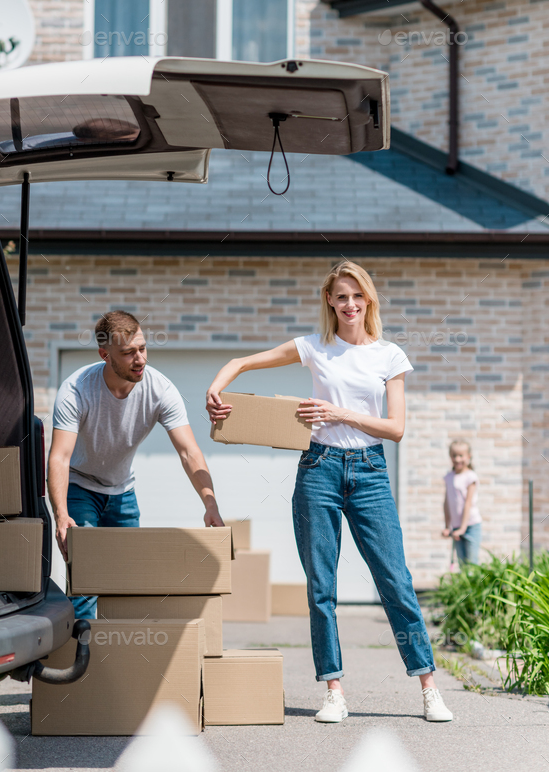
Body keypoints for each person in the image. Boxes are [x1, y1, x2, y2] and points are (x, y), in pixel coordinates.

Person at [206, 261, 453, 724]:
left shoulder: (389, 356)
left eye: (357, 296)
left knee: (395, 581)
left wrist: (340, 413)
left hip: (370, 472)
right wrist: (217, 390)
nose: (350, 304)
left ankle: (428, 686)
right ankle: (334, 691)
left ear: (369, 300)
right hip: (318, 470)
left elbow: (396, 428)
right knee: (322, 587)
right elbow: (241, 362)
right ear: (329, 302)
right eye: (341, 296)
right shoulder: (314, 347)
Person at [48, 310, 224, 620]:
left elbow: (189, 452)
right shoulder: (76, 390)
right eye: (128, 352)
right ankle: (80, 663)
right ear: (105, 354)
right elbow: (60, 457)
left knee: (127, 582)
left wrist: (210, 503)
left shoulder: (160, 390)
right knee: (87, 581)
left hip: (122, 491)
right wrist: (61, 515)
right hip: (80, 487)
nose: (139, 358)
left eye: (142, 348)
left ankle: (121, 660)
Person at [442, 439, 482, 565]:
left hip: (471, 525)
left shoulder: (470, 477)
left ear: (469, 456)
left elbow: (468, 504)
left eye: (461, 456)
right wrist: (447, 526)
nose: (457, 459)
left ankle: (475, 585)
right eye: (454, 456)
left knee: (472, 563)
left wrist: (463, 528)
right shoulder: (449, 477)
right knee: (462, 563)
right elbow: (447, 503)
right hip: (456, 527)